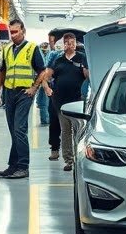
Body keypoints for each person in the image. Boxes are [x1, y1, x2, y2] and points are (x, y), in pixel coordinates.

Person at [0, 19, 47, 180]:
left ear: (23, 31)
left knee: (19, 129)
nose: (13, 35)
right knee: (13, 130)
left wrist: (34, 88)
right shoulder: (7, 49)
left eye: (16, 32)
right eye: (11, 32)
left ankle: (23, 166)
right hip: (9, 93)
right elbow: (2, 71)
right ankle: (13, 166)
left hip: (24, 93)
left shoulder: (32, 48)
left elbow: (42, 71)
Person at [43, 32, 89, 172]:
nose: (70, 45)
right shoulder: (58, 60)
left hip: (77, 101)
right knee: (65, 131)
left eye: (72, 42)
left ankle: (80, 158)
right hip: (60, 101)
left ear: (76, 44)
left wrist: (83, 68)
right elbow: (46, 77)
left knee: (79, 131)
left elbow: (87, 76)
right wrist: (46, 87)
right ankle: (69, 160)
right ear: (63, 44)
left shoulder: (82, 58)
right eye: (67, 42)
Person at [44, 34, 64, 159]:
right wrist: (46, 86)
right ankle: (55, 148)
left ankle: (71, 152)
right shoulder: (54, 56)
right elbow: (46, 74)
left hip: (75, 96)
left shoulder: (80, 56)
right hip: (56, 94)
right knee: (54, 122)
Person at [35, 42, 51, 126]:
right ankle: (45, 119)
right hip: (44, 81)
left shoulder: (46, 56)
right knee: (43, 102)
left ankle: (45, 119)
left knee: (44, 102)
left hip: (45, 81)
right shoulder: (49, 55)